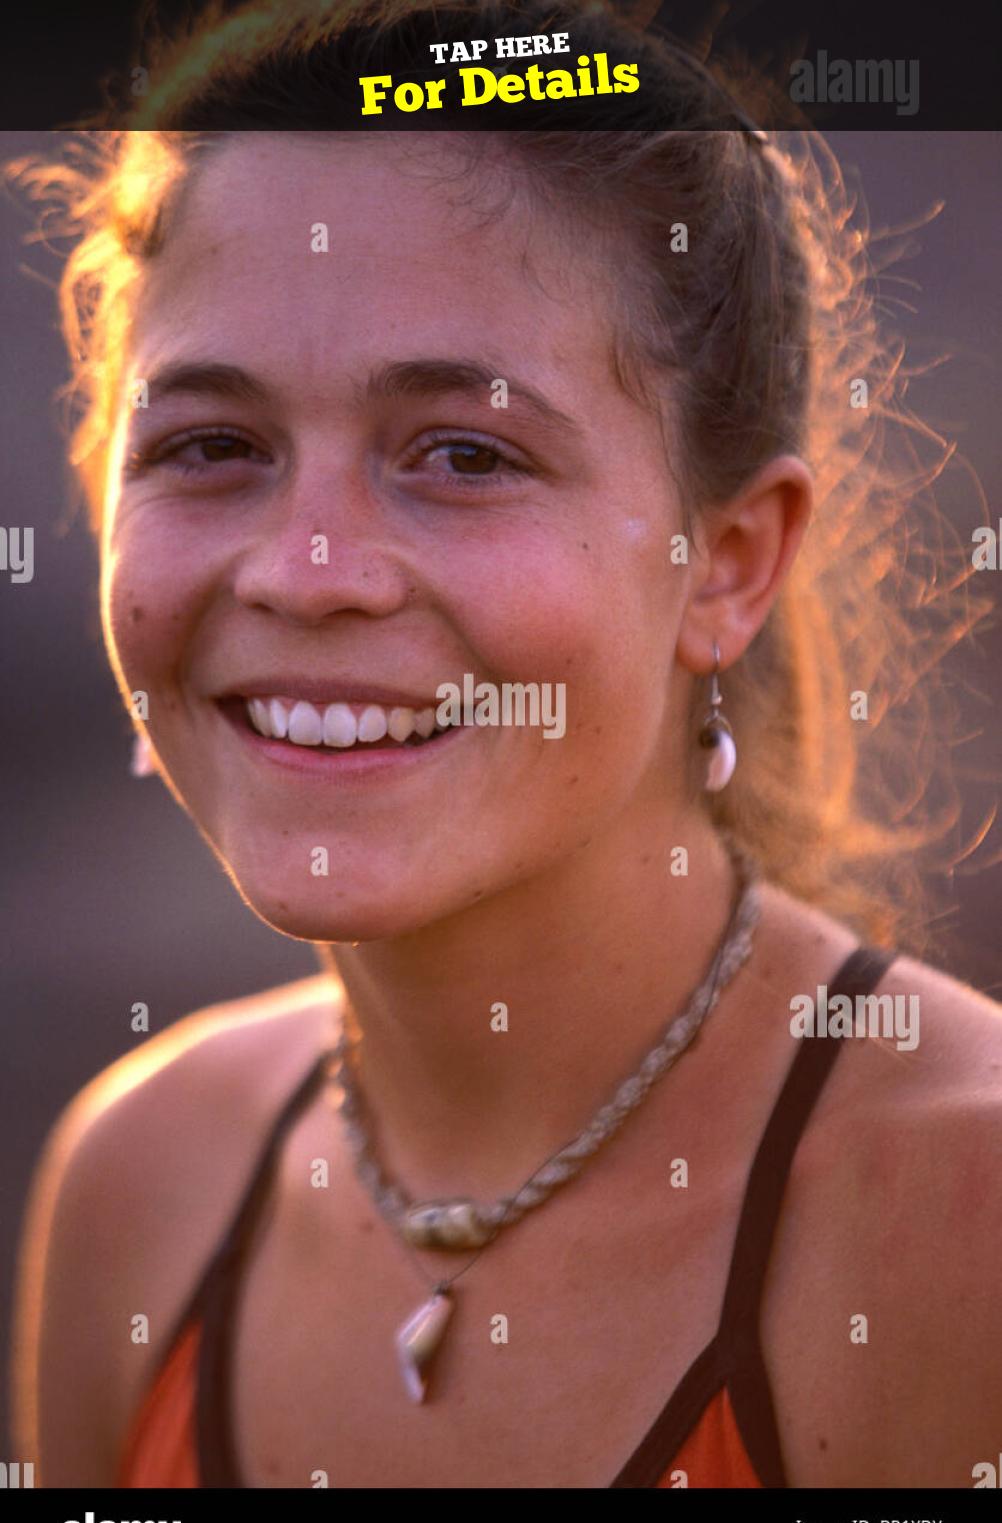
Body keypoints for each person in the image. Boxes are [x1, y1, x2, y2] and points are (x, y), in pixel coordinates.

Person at [8, 0, 1001, 1491]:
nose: (306, 569)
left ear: (726, 561)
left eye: (464, 454)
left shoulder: (957, 1218)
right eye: (211, 445)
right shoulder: (139, 1180)